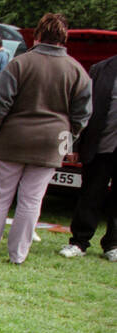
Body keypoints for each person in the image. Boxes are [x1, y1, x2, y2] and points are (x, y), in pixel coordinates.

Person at [0, 13, 92, 263]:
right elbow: (82, 114)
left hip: (11, 140)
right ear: (64, 38)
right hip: (51, 142)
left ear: (38, 36)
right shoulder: (76, 70)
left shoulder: (19, 63)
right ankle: (18, 255)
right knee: (31, 200)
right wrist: (68, 139)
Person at [59, 53, 117, 260]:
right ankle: (79, 242)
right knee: (90, 195)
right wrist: (72, 146)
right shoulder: (100, 69)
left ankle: (113, 244)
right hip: (100, 146)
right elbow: (81, 110)